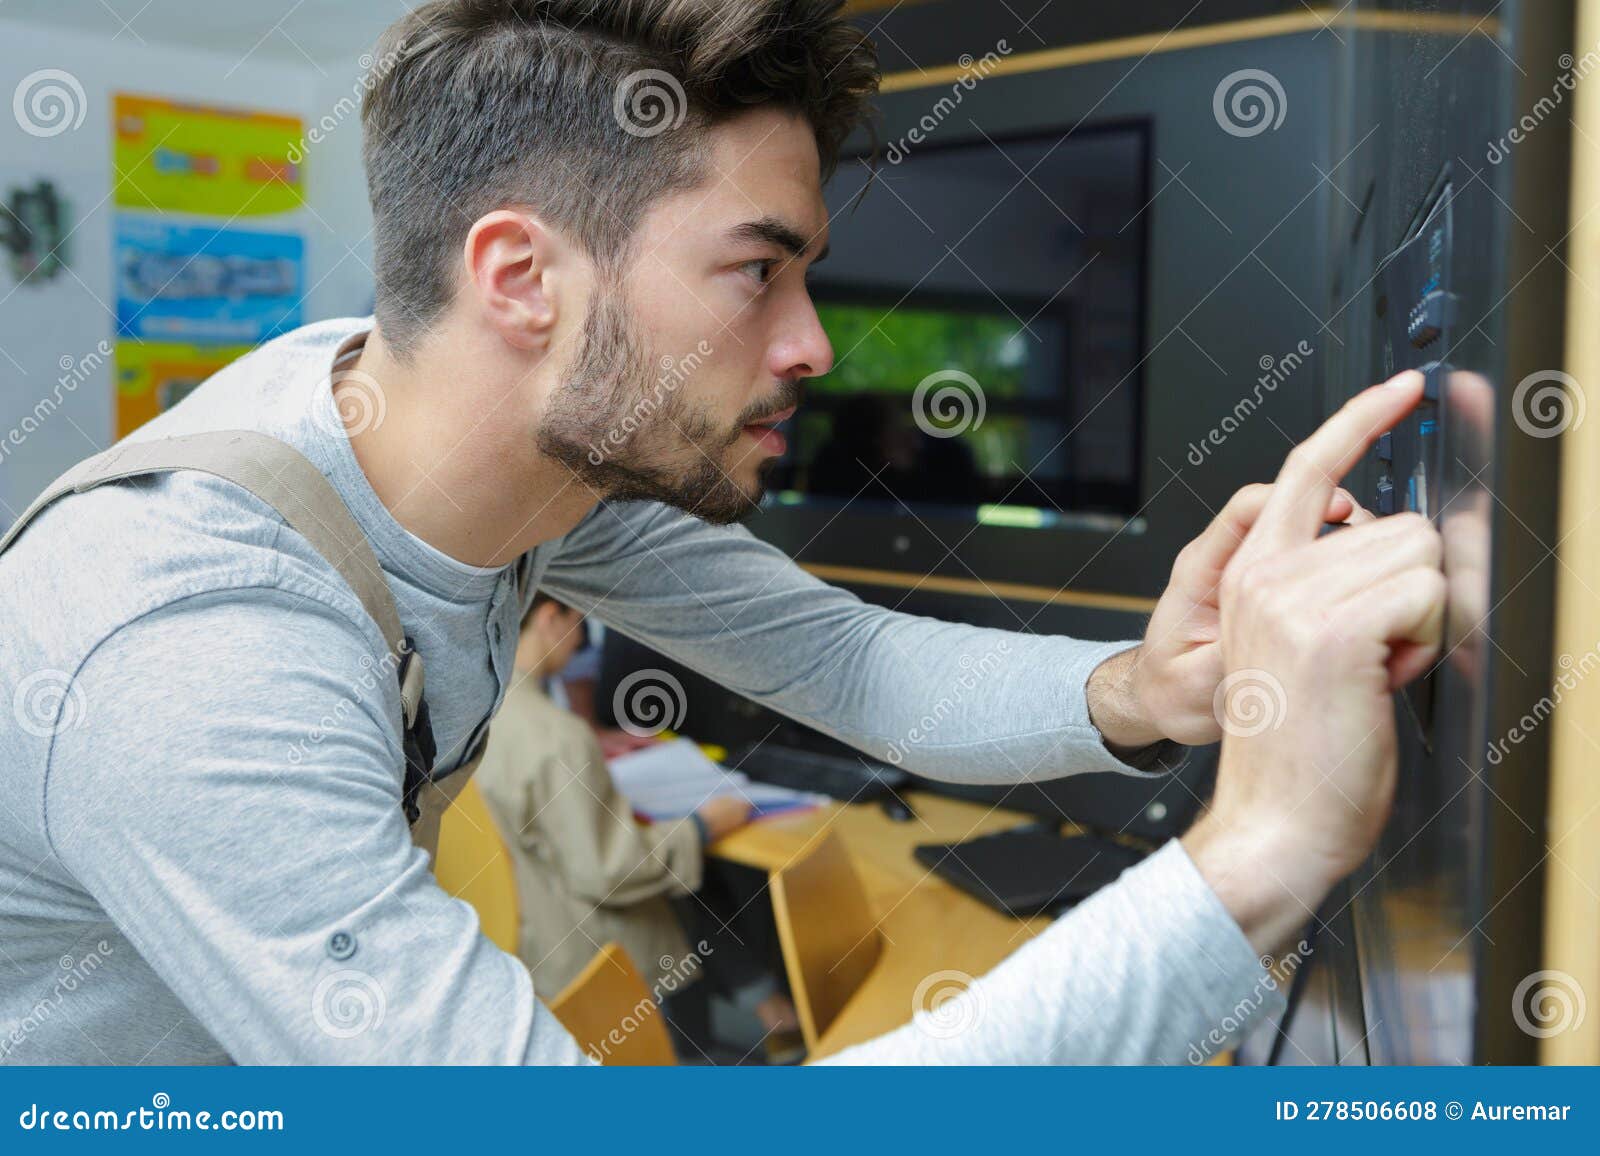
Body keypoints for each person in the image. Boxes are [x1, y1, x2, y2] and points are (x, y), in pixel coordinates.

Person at [0, 0, 1443, 1065]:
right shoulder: (198, 655)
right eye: (758, 272)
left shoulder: (494, 441)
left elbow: (841, 661)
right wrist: (1257, 856)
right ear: (520, 278)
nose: (813, 346)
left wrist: (1149, 688)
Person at [474, 592, 799, 1059]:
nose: (580, 640)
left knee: (694, 892)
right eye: (578, 623)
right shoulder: (558, 737)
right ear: (549, 617)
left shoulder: (479, 711)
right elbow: (610, 871)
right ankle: (772, 1018)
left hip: (523, 934)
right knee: (691, 889)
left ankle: (769, 1010)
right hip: (595, 955)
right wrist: (703, 825)